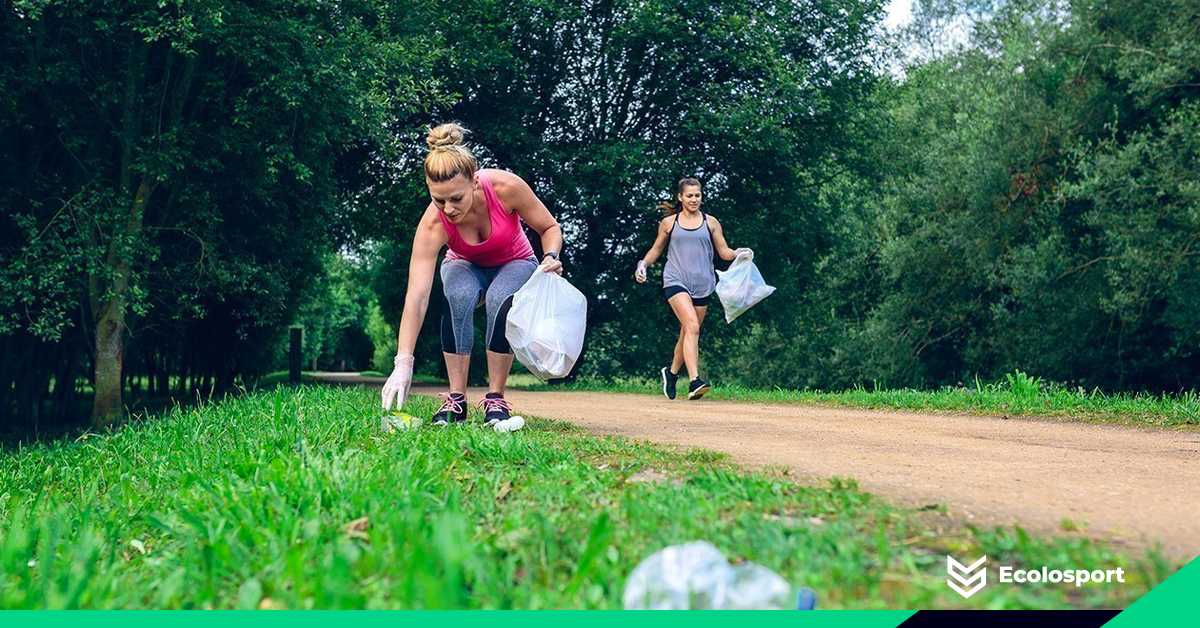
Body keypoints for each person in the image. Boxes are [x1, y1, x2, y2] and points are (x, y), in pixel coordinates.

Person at [381, 123, 563, 425]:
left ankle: (495, 398)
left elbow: (549, 227)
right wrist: (403, 361)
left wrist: (551, 257)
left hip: (516, 261)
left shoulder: (506, 188)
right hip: (464, 264)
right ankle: (456, 401)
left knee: (499, 298)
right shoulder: (432, 224)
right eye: (439, 200)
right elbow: (417, 296)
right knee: (459, 295)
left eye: (456, 198)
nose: (448, 209)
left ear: (474, 182)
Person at [635, 177, 750, 400]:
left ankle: (671, 373)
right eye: (689, 196)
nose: (694, 199)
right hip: (675, 280)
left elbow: (724, 252)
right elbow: (656, 249)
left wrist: (739, 253)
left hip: (703, 283)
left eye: (697, 195)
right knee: (692, 326)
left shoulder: (711, 223)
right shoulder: (670, 223)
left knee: (687, 332)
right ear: (680, 197)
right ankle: (695, 381)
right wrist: (643, 264)